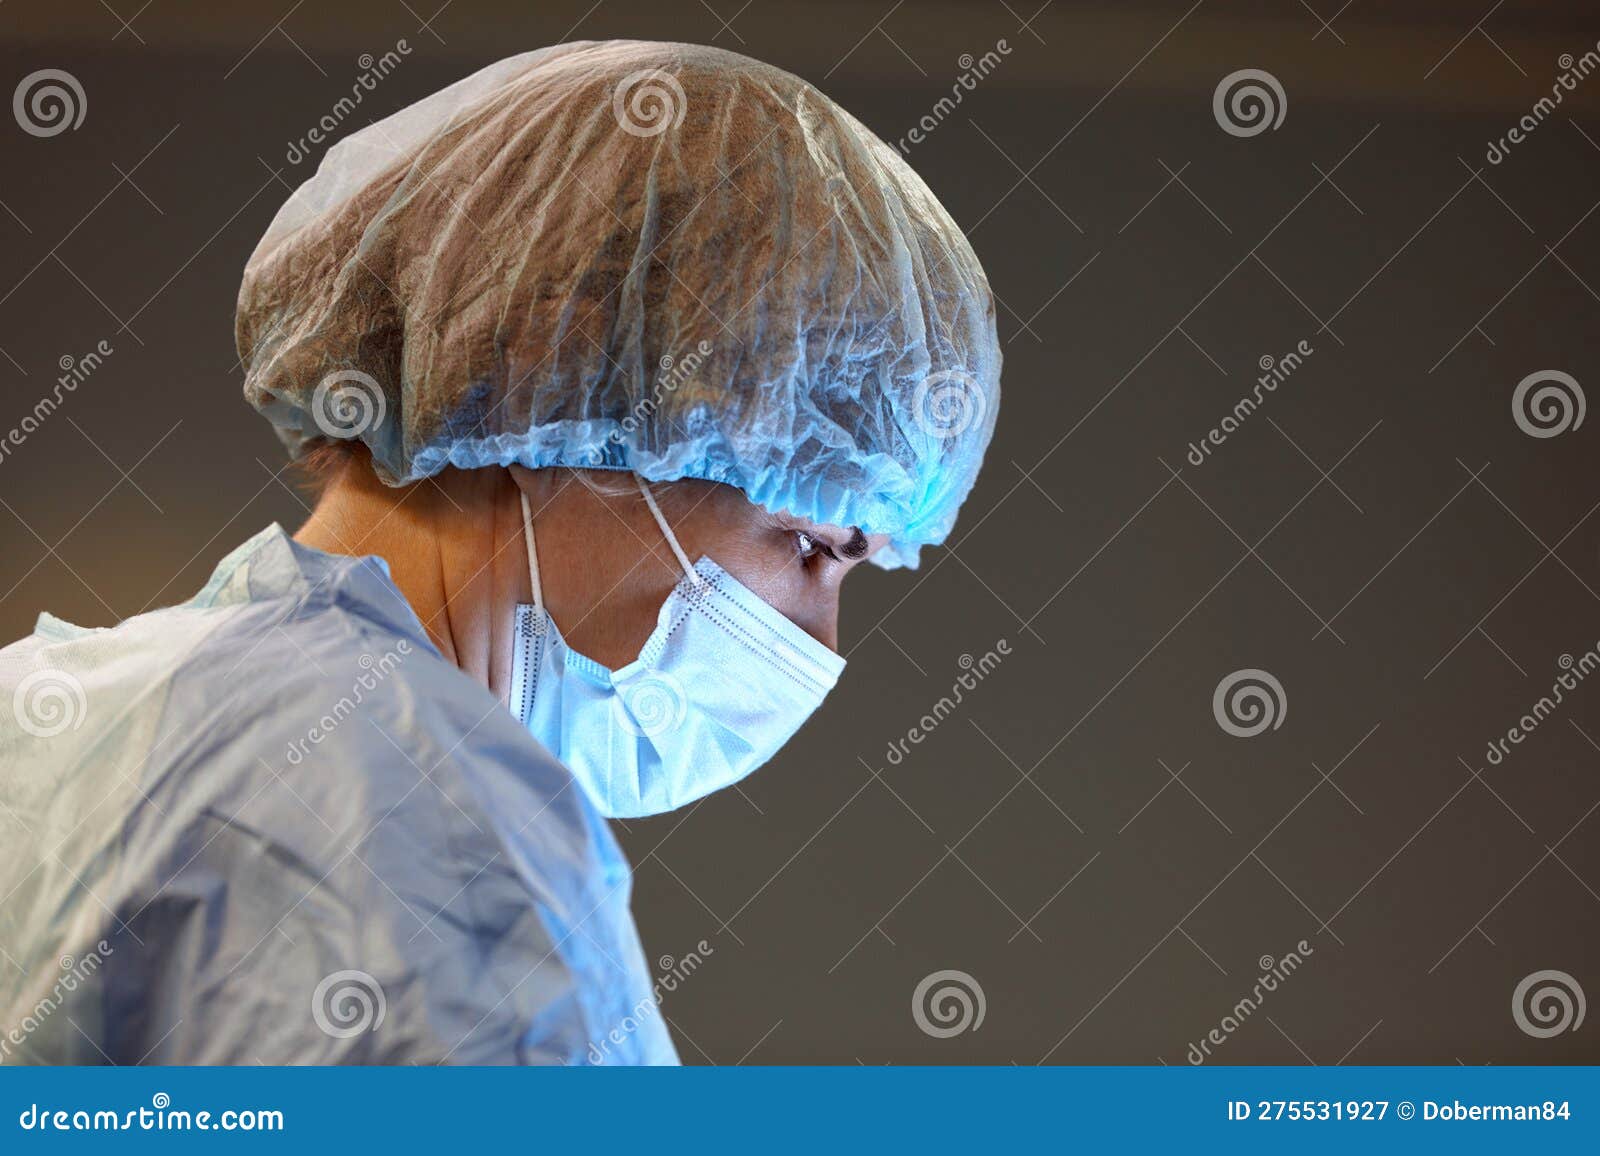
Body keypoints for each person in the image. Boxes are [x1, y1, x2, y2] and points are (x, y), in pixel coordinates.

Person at [0, 40, 999, 1064]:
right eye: (811, 544)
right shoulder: (442, 839)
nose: (819, 637)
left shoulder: (48, 721)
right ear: (555, 382)